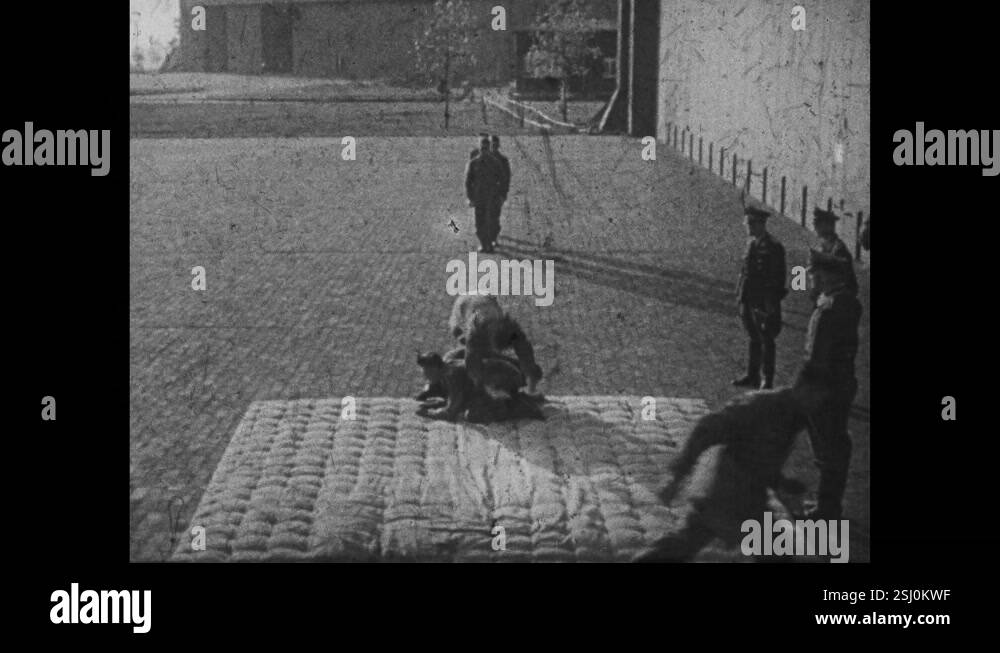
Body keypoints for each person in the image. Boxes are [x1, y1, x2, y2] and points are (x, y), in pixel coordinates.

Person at [795, 249, 862, 521]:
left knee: (827, 448)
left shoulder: (828, 310)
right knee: (836, 444)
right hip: (843, 383)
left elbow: (816, 358)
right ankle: (829, 502)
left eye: (814, 275)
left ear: (826, 276)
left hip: (823, 388)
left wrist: (800, 387)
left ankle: (827, 507)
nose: (811, 280)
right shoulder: (846, 302)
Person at [734, 206, 788, 390]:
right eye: (746, 223)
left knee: (767, 340)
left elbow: (778, 278)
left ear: (761, 224)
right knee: (753, 337)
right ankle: (752, 375)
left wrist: (770, 304)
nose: (747, 227)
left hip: (763, 302)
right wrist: (739, 294)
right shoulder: (751, 243)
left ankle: (767, 379)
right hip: (748, 298)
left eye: (750, 223)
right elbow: (745, 271)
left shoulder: (773, 246)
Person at [464, 136, 503, 253]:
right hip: (479, 198)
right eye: (482, 148)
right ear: (479, 149)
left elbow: (502, 179)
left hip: (492, 198)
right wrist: (470, 198)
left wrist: (500, 195)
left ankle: (489, 244)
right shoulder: (473, 163)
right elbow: (468, 182)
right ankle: (483, 243)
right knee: (479, 223)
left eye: (486, 148)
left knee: (491, 221)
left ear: (489, 149)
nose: (484, 151)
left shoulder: (495, 163)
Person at [812, 207, 858, 294]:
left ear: (829, 226)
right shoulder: (822, 246)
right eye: (816, 224)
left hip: (839, 298)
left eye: (818, 224)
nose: (815, 227)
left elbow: (846, 278)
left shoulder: (838, 248)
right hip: (825, 296)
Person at [489, 135, 511, 249]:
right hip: (484, 193)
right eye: (492, 144)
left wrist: (504, 194)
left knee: (495, 216)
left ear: (498, 145)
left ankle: (493, 238)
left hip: (497, 193)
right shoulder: (483, 158)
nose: (494, 146)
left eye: (495, 144)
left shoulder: (503, 160)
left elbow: (506, 179)